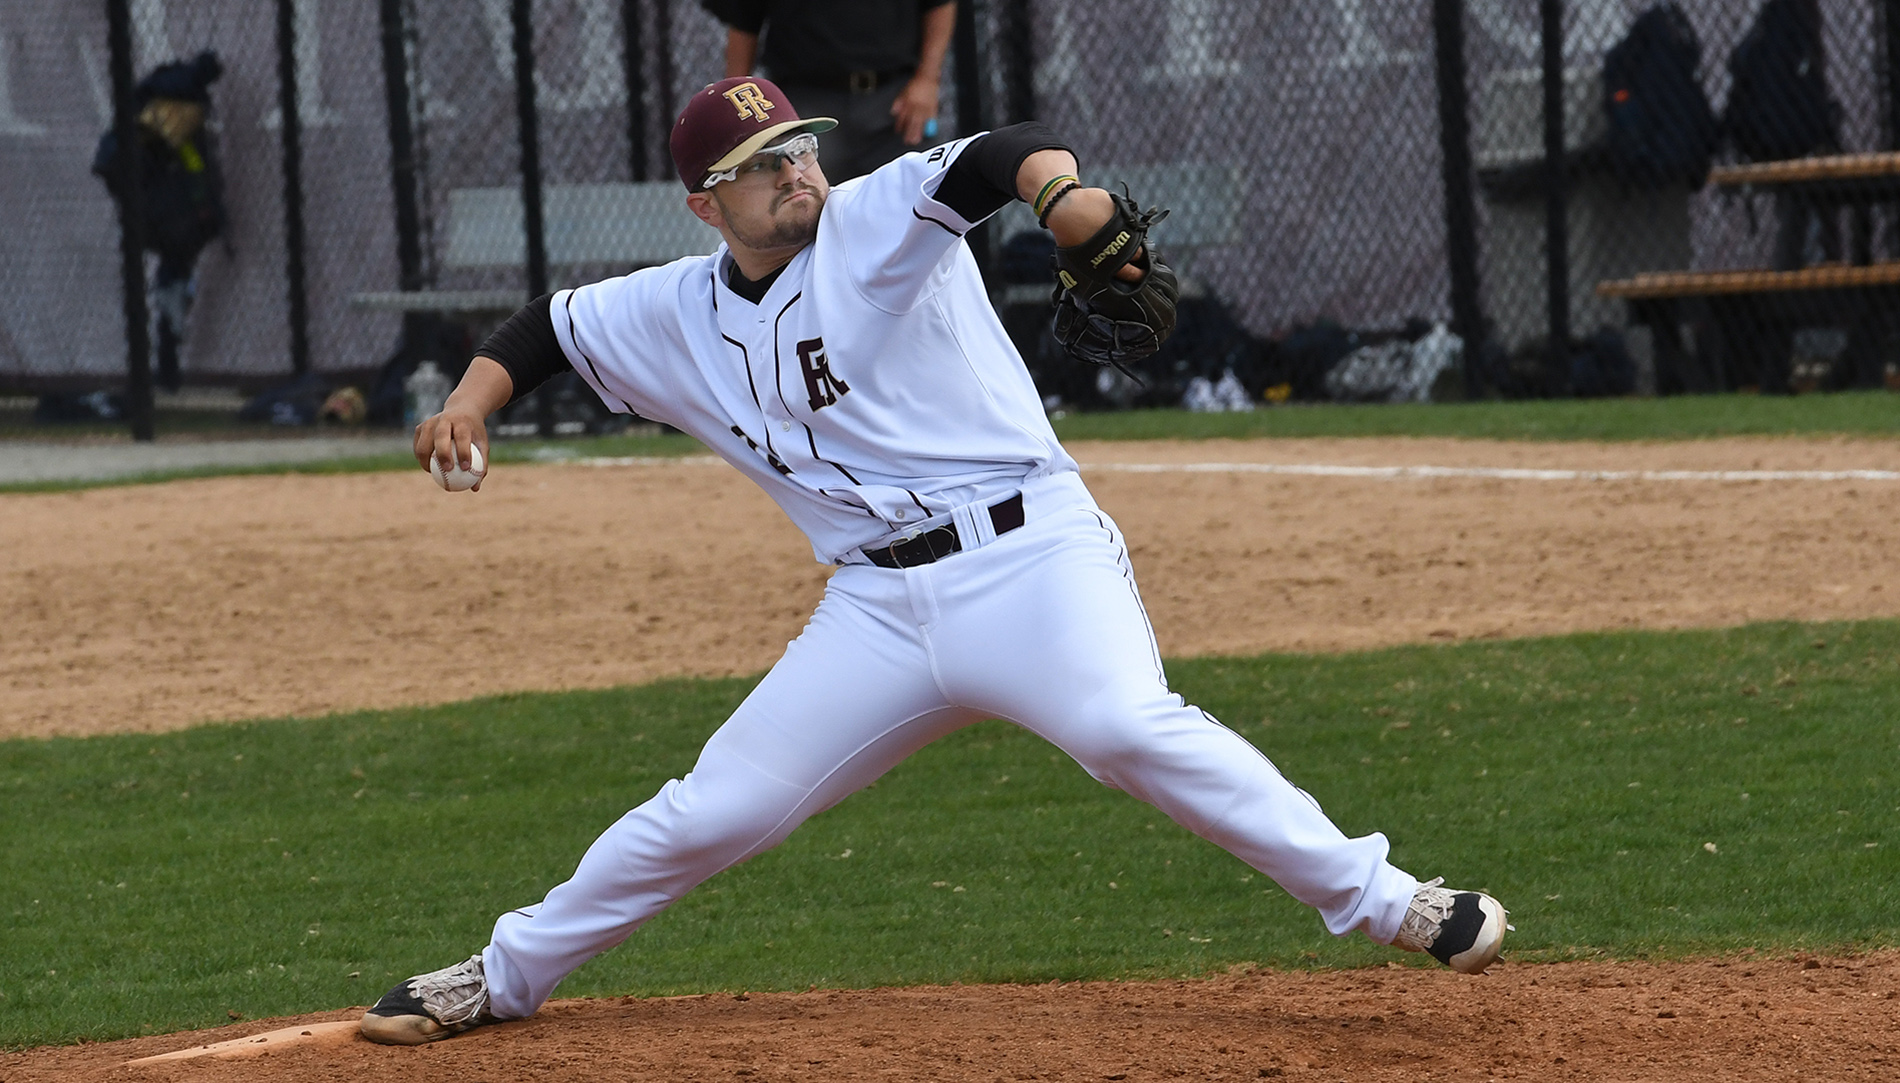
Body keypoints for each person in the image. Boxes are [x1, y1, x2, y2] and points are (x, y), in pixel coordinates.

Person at [359, 76, 1509, 1046]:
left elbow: (1001, 153)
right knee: (714, 809)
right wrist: (468, 403)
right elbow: (547, 331)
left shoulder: (873, 218)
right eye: (763, 165)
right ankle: (503, 976)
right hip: (873, 607)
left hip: (1030, 558)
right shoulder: (672, 309)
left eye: (799, 147)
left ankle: (1392, 902)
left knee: (1125, 728)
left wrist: (1062, 199)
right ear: (706, 204)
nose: (797, 171)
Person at [91, 51, 226, 393]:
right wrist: (204, 202)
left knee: (167, 268)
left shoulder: (151, 93)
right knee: (175, 266)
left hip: (144, 201)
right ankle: (165, 355)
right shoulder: (181, 104)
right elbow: (192, 159)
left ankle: (160, 355)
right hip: (165, 207)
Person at [703, 0, 954, 181]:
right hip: (805, 108)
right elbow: (743, 25)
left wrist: (928, 79)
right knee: (809, 218)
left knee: (913, 209)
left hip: (896, 105)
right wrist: (737, 111)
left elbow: (940, 4)